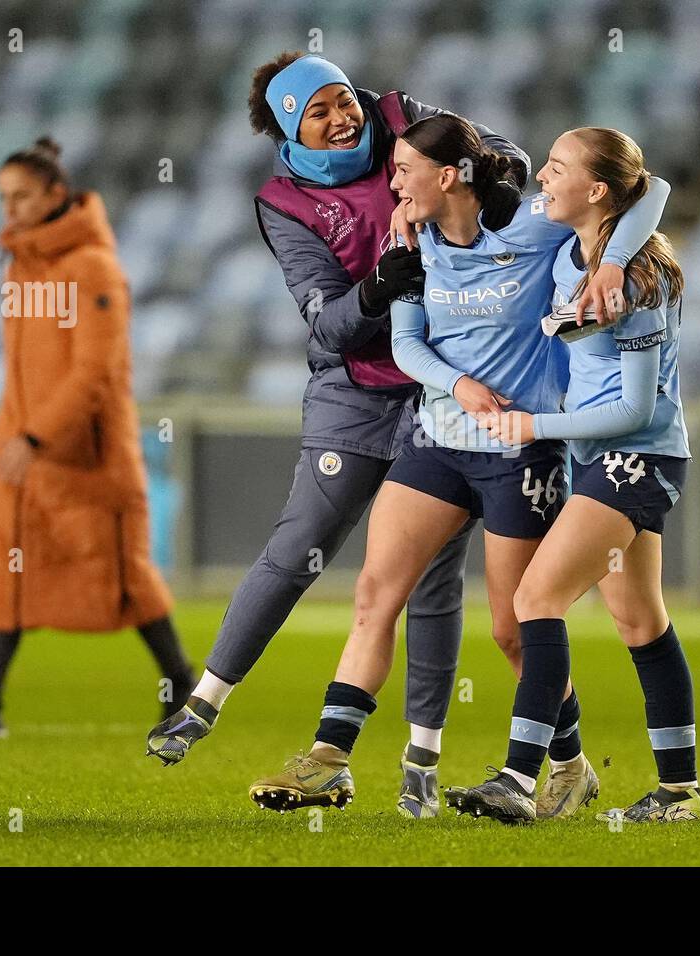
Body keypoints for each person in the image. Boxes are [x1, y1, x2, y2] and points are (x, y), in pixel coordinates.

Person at [145, 51, 574, 819]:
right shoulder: (299, 207)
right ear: (289, 128)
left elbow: (512, 162)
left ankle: (456, 763)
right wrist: (385, 286)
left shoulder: (414, 129)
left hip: (479, 411)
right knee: (338, 564)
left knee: (484, 609)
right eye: (319, 111)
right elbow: (343, 329)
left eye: (345, 99)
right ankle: (247, 720)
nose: (347, 118)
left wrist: (508, 179)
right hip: (389, 401)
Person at [244, 114, 668, 817]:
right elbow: (406, 344)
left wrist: (615, 260)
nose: (392, 185)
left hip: (520, 452)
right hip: (437, 443)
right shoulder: (410, 244)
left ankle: (569, 766)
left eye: (404, 171)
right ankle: (328, 758)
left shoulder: (532, 227)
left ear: (448, 177)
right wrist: (456, 383)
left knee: (512, 630)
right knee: (374, 595)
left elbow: (650, 188)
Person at [445, 127, 700, 825]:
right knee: (639, 620)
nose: (542, 179)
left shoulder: (641, 279)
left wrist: (536, 427)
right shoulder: (571, 254)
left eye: (556, 168)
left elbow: (634, 410)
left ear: (596, 190)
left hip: (636, 458)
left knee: (536, 599)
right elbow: (652, 189)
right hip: (595, 457)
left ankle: (517, 778)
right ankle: (680, 793)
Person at [0, 137, 192, 738]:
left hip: (84, 456)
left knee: (121, 575)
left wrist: (38, 435)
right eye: (3, 198)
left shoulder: (93, 267)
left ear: (55, 193)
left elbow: (95, 372)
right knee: (2, 571)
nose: (9, 209)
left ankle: (180, 682)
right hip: (20, 447)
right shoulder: (22, 265)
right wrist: (15, 436)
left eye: (21, 196)